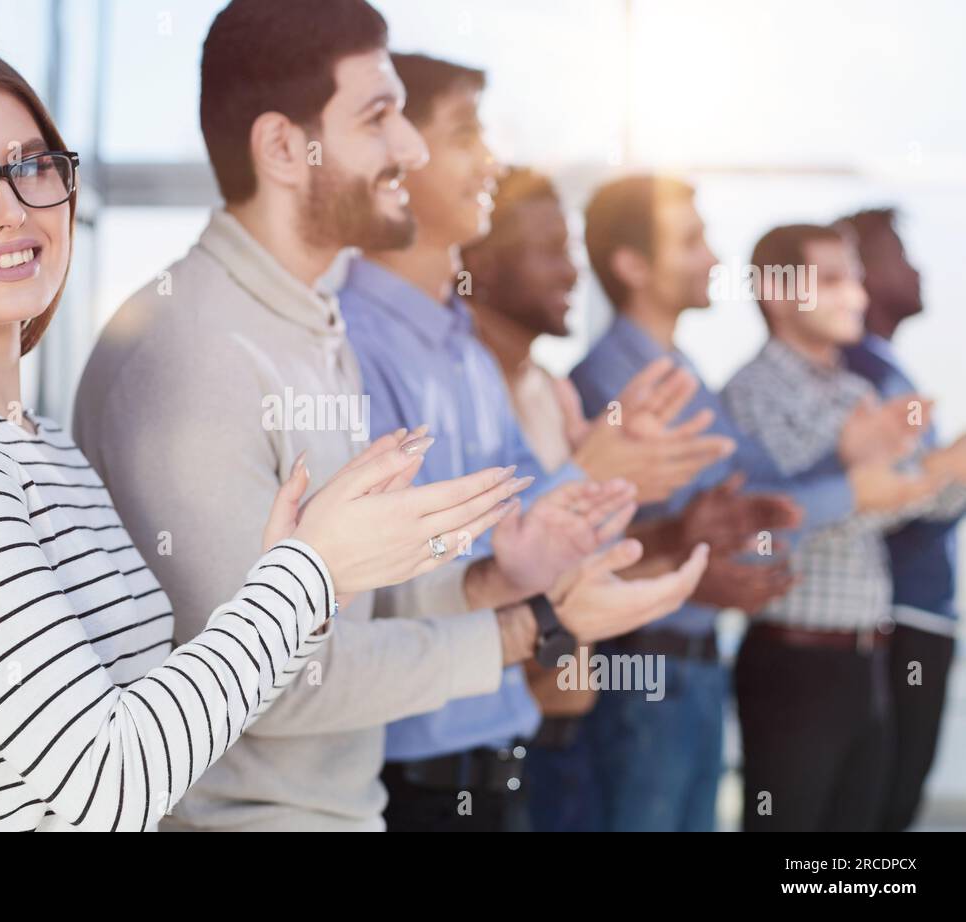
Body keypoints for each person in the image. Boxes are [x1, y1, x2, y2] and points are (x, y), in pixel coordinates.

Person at [0, 40, 526, 832]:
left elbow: (163, 720)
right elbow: (106, 780)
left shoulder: (42, 446)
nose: (10, 210)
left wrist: (308, 584)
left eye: (32, 166)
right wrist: (309, 573)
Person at [73, 1, 708, 832]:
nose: (409, 150)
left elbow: (343, 606)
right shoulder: (193, 353)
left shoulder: (306, 324)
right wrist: (530, 628)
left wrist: (489, 580)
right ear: (279, 149)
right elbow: (268, 679)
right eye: (378, 118)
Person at [341, 54, 714, 831]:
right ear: (399, 155)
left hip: (498, 749)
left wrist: (609, 484)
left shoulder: (465, 354)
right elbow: (404, 576)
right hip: (414, 771)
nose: (492, 160)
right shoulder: (351, 343)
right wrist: (591, 470)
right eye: (469, 133)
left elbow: (520, 541)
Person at [568, 174, 938, 831]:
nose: (714, 259)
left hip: (692, 667)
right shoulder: (610, 379)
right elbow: (733, 521)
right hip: (647, 667)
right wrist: (853, 482)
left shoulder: (685, 373)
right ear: (632, 266)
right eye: (692, 241)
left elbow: (758, 500)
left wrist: (849, 467)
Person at [723, 222, 966, 830]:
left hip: (867, 658)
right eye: (832, 279)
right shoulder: (753, 392)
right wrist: (866, 474)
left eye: (854, 277)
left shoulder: (856, 387)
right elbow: (769, 522)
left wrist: (945, 469)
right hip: (796, 661)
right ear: (778, 293)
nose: (856, 295)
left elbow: (904, 502)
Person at [838, 208, 966, 830]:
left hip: (918, 614)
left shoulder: (887, 366)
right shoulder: (863, 372)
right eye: (898, 253)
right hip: (901, 615)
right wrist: (951, 468)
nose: (915, 267)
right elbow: (892, 505)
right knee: (882, 815)